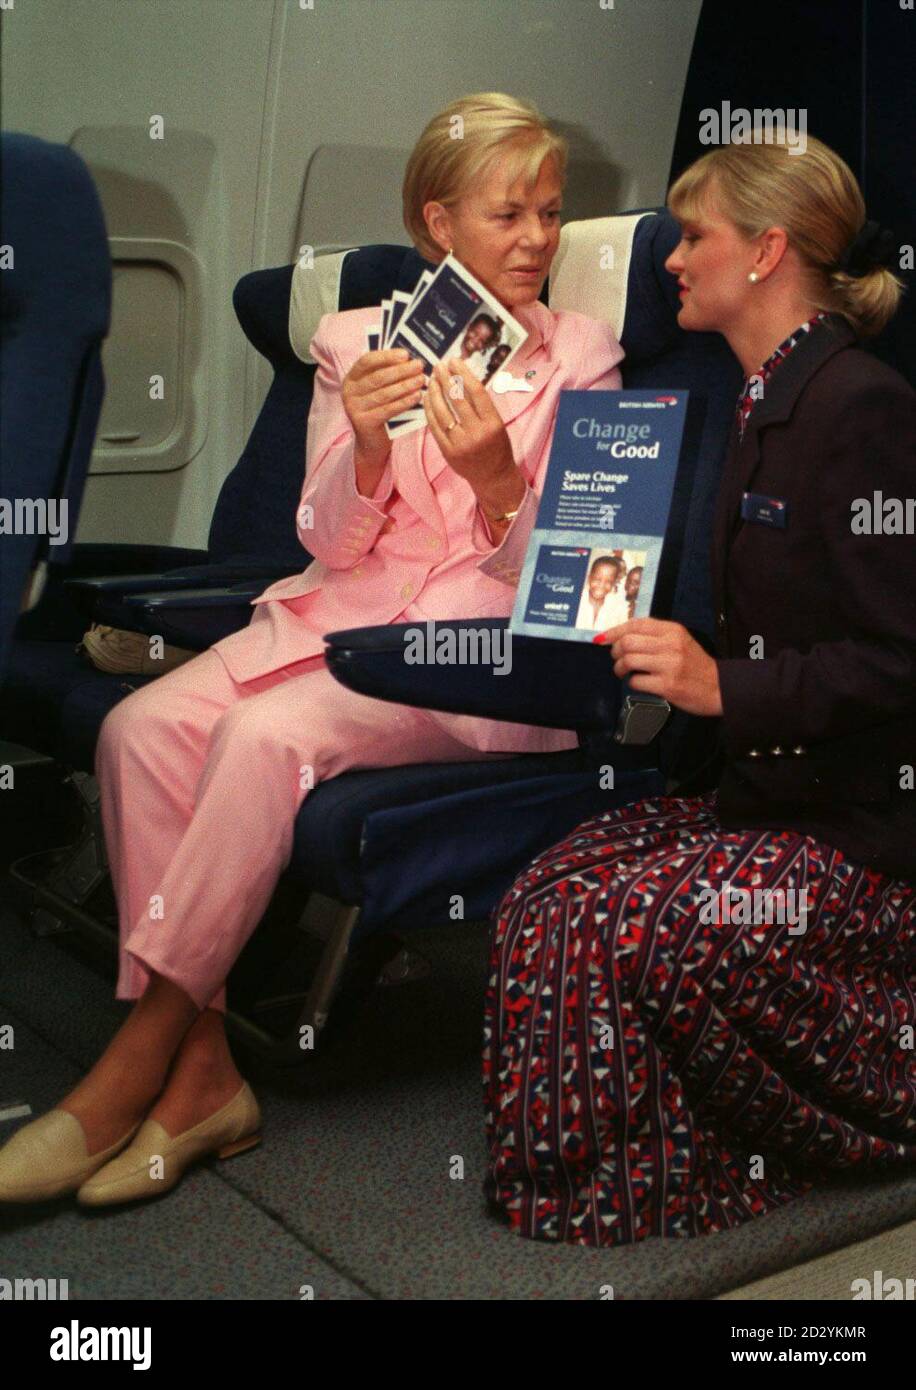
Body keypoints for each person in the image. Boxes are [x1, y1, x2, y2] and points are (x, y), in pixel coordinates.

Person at [0, 92, 624, 1206]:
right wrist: (370, 447)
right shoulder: (353, 342)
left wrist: (498, 484)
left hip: (477, 660)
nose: (537, 239)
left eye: (549, 212)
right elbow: (326, 538)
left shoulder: (582, 357)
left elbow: (586, 586)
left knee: (258, 736)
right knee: (142, 732)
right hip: (336, 621)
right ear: (439, 221)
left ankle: (130, 1068)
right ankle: (204, 1073)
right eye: (507, 213)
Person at [483, 133, 916, 1246]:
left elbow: (899, 656)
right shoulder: (756, 398)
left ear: (767, 250)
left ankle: (667, 1181)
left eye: (696, 237)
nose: (673, 259)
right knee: (548, 893)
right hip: (763, 795)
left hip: (858, 831)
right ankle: (597, 1174)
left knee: (630, 925)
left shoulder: (860, 405)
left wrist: (724, 684)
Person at [574, 555, 627, 630]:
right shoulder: (574, 600)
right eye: (597, 579)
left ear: (613, 583)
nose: (601, 586)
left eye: (608, 581)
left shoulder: (619, 608)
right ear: (589, 577)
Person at [459, 312, 501, 379]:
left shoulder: (478, 371)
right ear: (469, 327)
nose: (475, 341)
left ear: (485, 346)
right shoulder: (450, 340)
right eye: (475, 333)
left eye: (482, 341)